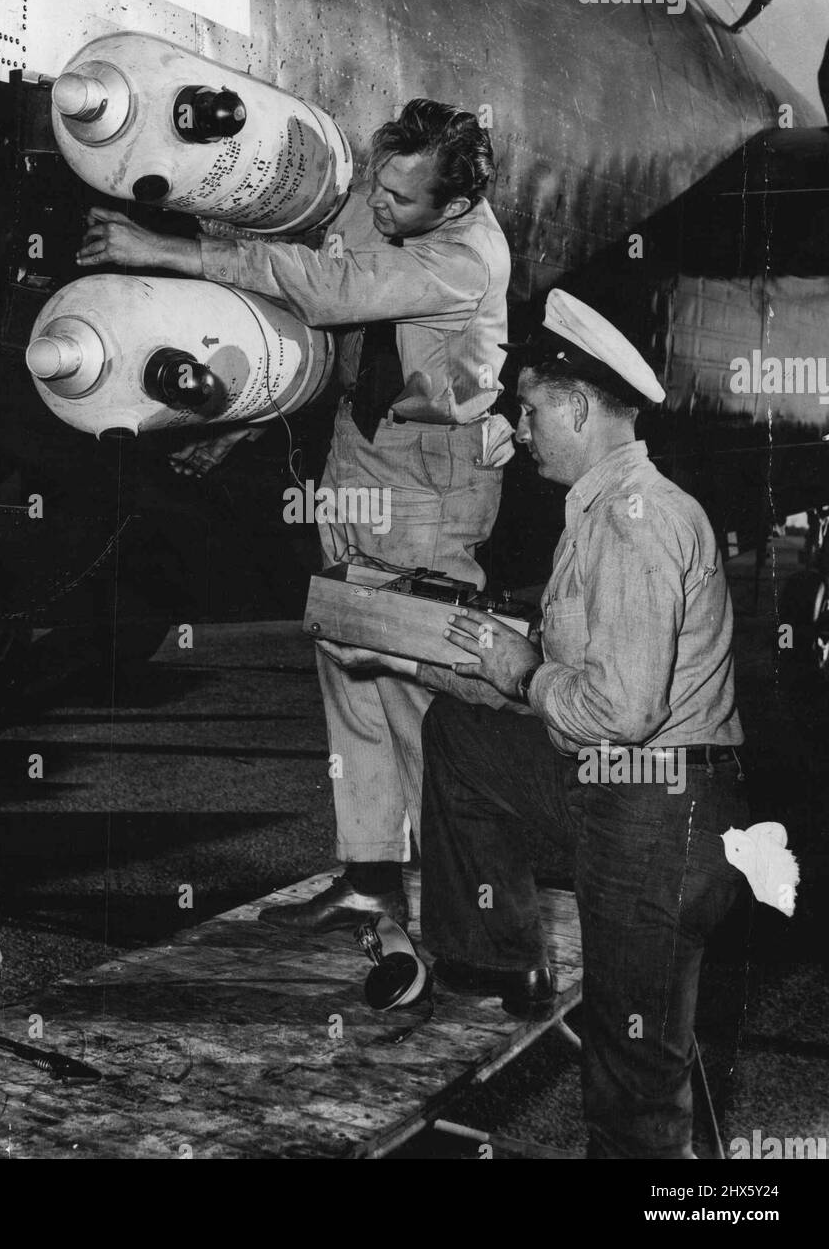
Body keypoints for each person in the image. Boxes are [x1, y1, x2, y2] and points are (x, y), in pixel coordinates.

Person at [320, 290, 749, 1159]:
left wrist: (523, 669)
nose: (520, 425)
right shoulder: (597, 511)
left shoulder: (637, 522)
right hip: (629, 793)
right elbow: (541, 694)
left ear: (582, 407)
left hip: (662, 815)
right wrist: (403, 657)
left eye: (531, 407)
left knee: (632, 1085)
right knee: (463, 738)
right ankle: (492, 954)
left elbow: (618, 712)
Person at [76, 99, 513, 933]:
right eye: (377, 185)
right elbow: (340, 345)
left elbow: (325, 289)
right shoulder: (404, 209)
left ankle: (474, 909)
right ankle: (372, 875)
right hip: (363, 449)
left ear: (452, 205)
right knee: (350, 666)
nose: (378, 205)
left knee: (423, 682)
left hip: (431, 475)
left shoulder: (462, 256)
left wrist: (166, 250)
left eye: (399, 199)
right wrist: (244, 424)